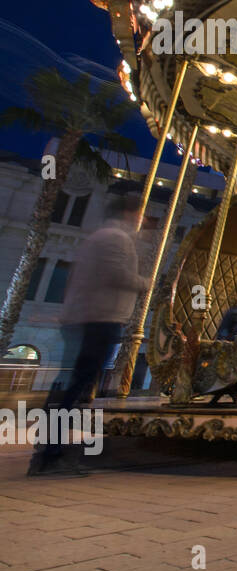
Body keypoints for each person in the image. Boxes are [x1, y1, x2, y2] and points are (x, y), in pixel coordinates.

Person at [28, 195, 150, 476]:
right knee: (76, 386)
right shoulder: (115, 239)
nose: (142, 220)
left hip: (88, 316)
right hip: (98, 318)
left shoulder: (99, 238)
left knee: (74, 384)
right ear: (130, 213)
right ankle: (51, 452)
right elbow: (115, 275)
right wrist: (145, 282)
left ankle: (49, 449)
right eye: (141, 214)